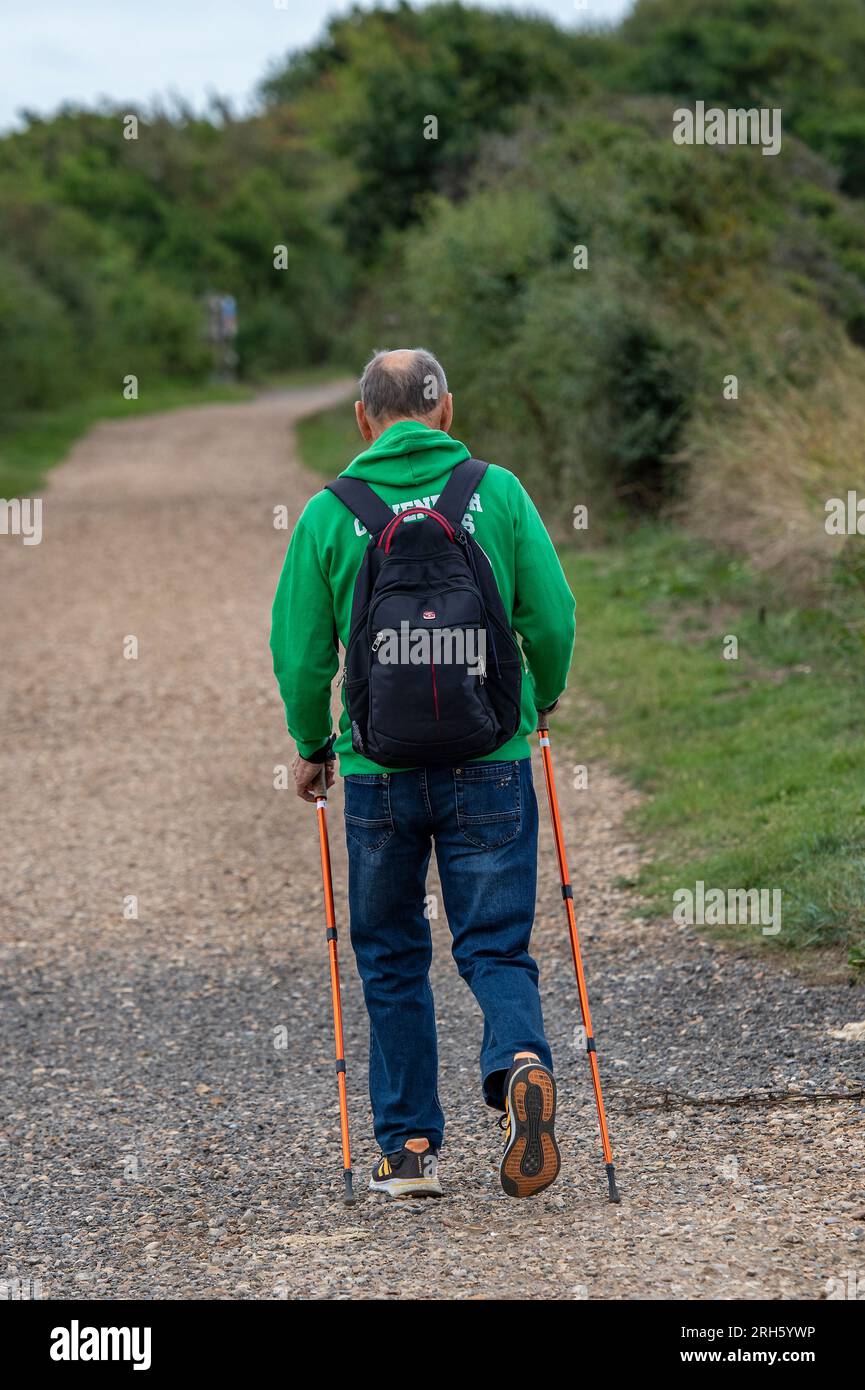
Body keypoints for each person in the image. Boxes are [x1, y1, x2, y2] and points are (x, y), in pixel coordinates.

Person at [271, 348, 576, 1198]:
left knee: (392, 954)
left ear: (363, 419)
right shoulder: (498, 491)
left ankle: (407, 1151)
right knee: (495, 944)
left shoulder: (332, 512)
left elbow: (300, 655)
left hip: (378, 771)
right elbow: (550, 616)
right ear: (445, 411)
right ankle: (518, 1062)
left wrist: (312, 744)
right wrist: (541, 699)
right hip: (490, 759)